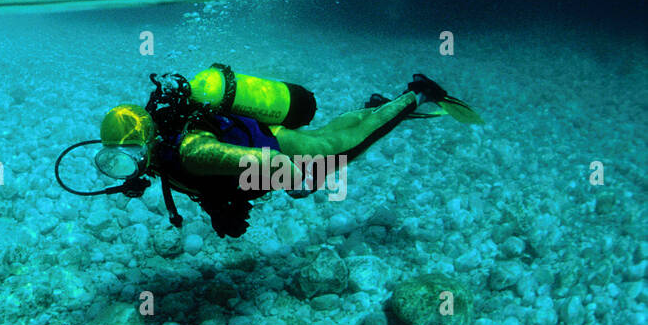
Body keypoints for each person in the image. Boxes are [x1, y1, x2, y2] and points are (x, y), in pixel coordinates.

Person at [59, 64, 482, 238]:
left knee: (343, 149)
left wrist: (297, 180)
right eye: (113, 162)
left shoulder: (191, 151)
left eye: (126, 158)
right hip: (258, 135)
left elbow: (264, 162)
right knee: (330, 135)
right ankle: (375, 109)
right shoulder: (158, 150)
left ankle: (415, 95)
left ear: (147, 140)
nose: (124, 169)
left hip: (274, 145)